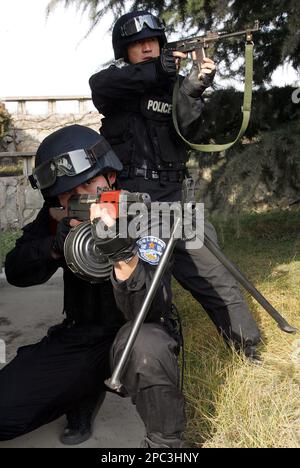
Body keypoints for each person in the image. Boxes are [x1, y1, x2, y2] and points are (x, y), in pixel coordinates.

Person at [89, 10, 261, 360]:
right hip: (136, 203)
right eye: (139, 45)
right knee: (151, 288)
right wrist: (160, 70)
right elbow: (100, 86)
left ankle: (249, 350)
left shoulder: (174, 87)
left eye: (153, 42)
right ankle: (162, 353)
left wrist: (195, 87)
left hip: (177, 200)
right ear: (126, 50)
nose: (149, 49)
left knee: (216, 277)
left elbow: (190, 129)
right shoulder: (115, 82)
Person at [0, 124, 186, 448]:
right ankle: (82, 395)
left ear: (110, 177)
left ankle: (166, 445)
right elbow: (16, 270)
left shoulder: (141, 212)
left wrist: (123, 255)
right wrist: (54, 246)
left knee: (148, 347)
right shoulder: (55, 217)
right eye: (71, 193)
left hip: (137, 327)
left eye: (90, 182)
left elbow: (151, 306)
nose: (84, 196)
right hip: (81, 335)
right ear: (58, 198)